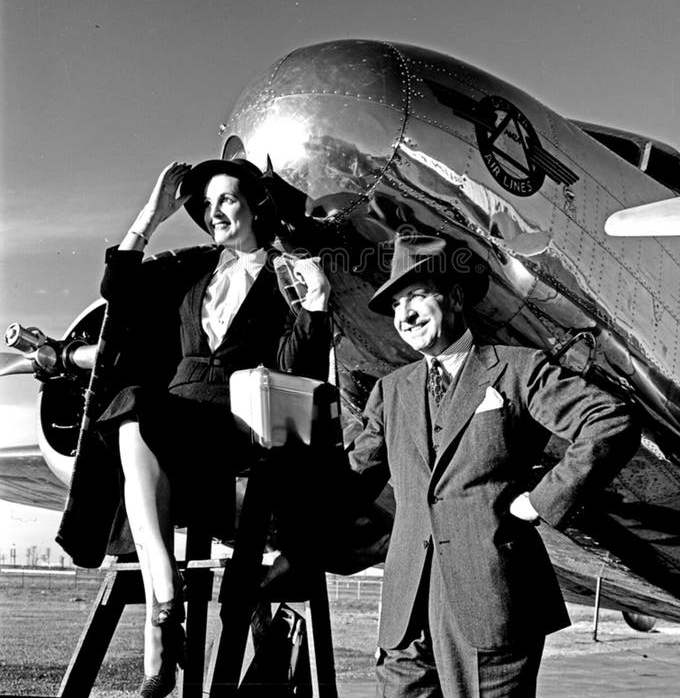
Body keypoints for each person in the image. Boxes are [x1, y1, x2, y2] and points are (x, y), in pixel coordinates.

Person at [345, 234, 640, 698]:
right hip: (405, 615)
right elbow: (351, 482)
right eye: (397, 305)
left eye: (417, 296)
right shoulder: (391, 390)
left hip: (492, 604)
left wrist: (541, 501)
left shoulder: (519, 369)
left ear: (455, 297)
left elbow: (610, 421)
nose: (405, 315)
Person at [97, 159, 332, 698]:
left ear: (254, 206)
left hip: (235, 421)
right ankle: (166, 589)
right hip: (175, 413)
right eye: (207, 204)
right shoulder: (192, 269)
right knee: (133, 413)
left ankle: (161, 625)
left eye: (226, 199)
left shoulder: (284, 275)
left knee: (135, 415)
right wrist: (151, 216)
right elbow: (117, 288)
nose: (214, 211)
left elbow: (295, 367)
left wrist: (315, 305)